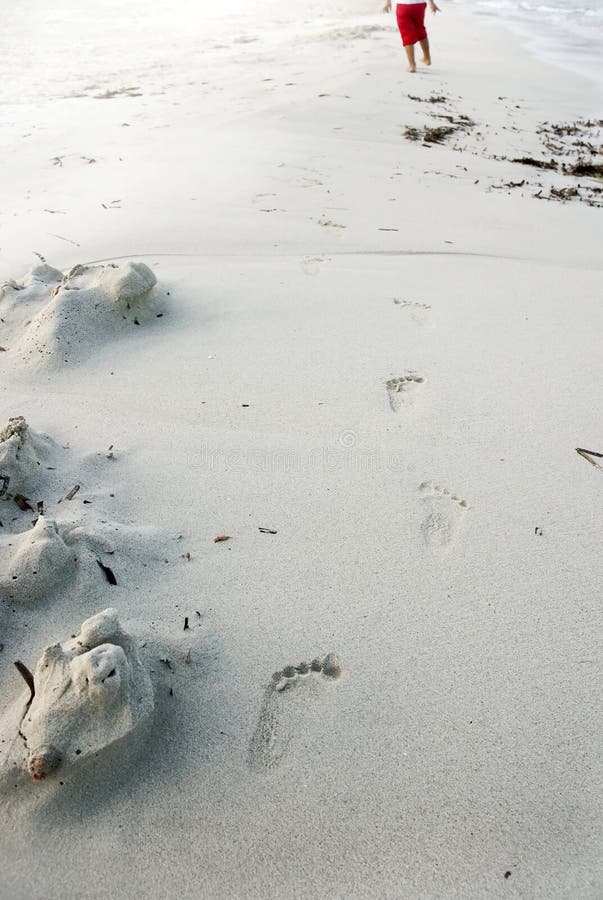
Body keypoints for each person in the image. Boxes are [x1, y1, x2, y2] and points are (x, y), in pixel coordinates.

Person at [383, 0, 440, 73]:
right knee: (420, 30)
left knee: (406, 34)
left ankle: (412, 65)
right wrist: (432, 3)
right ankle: (427, 58)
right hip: (419, 6)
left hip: (403, 5)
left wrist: (388, 2)